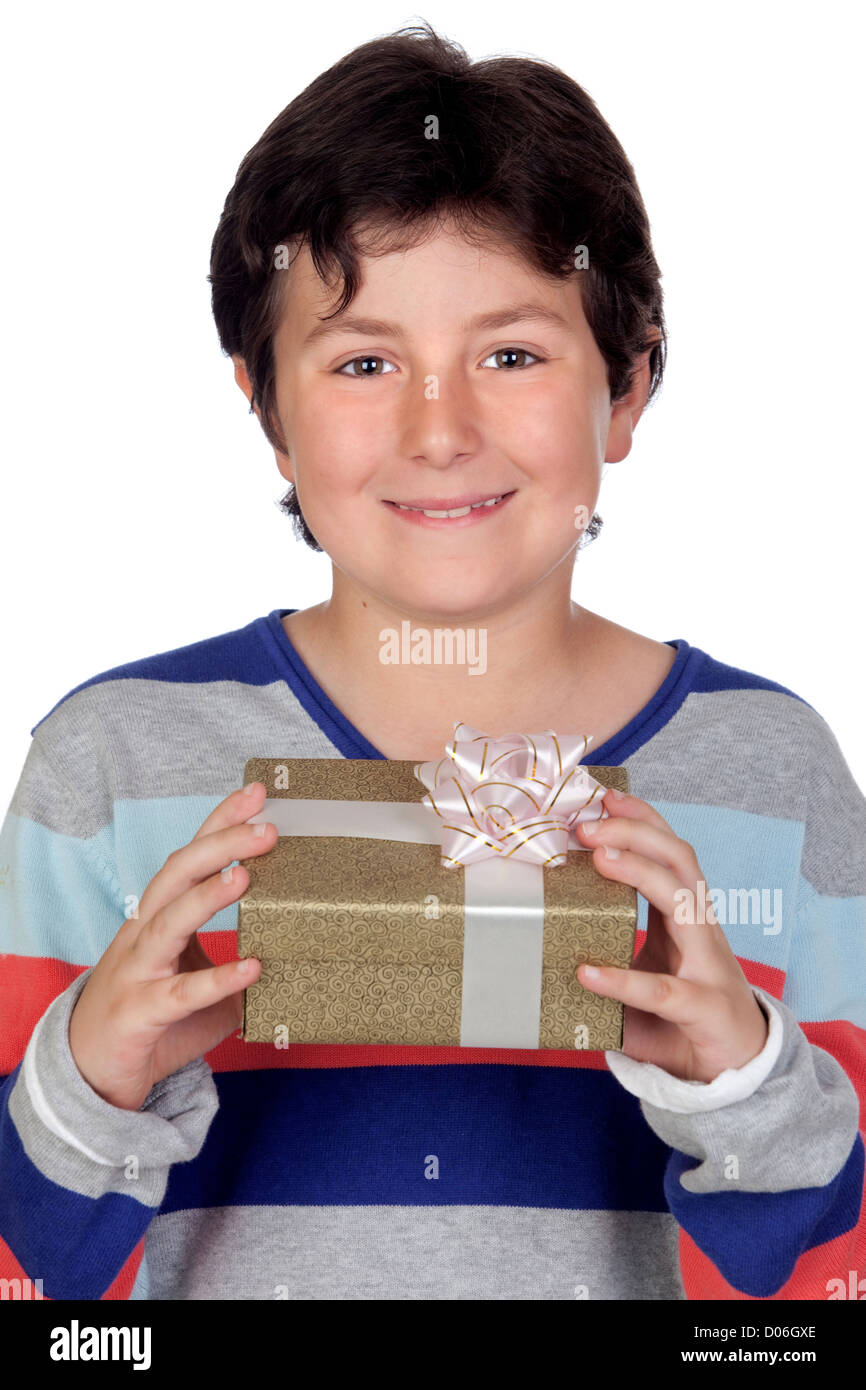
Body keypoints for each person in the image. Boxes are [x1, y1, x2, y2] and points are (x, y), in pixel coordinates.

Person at [0, 21, 863, 1302]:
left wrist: (742, 1082)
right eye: (362, 361)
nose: (439, 428)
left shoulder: (770, 773)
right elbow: (41, 1291)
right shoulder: (115, 761)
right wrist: (88, 1086)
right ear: (267, 411)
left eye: (510, 355)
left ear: (626, 388)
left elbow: (816, 1289)